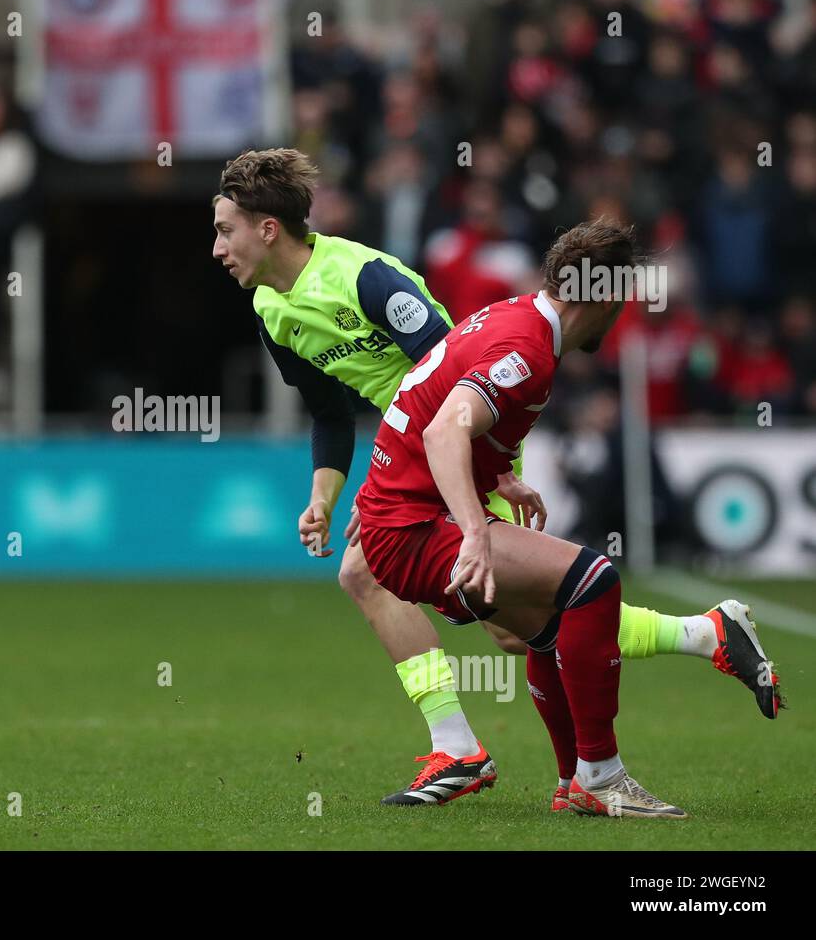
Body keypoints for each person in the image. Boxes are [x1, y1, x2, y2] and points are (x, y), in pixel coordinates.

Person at [210, 149, 781, 807]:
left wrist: (482, 472)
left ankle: (468, 750)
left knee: (513, 614)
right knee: (516, 624)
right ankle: (696, 642)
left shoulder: (363, 277)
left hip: (448, 452)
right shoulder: (272, 311)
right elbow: (329, 412)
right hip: (423, 452)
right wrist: (324, 495)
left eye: (226, 229)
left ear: (267, 227)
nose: (218, 247)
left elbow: (451, 364)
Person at [354, 218, 781, 817]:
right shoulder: (528, 349)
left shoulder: (517, 318)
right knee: (595, 582)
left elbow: (456, 404)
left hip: (398, 519)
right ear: (604, 297)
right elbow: (445, 427)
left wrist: (498, 472)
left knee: (549, 627)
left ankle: (570, 782)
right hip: (413, 530)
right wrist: (476, 532)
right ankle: (601, 777)